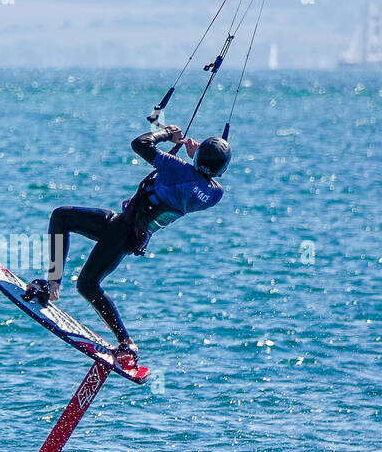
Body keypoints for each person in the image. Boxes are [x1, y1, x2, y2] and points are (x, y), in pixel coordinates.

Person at [22, 125, 230, 369]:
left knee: (85, 277)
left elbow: (140, 144)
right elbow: (199, 180)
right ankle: (54, 286)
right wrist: (196, 161)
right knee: (65, 225)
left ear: (198, 158)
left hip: (123, 230)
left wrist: (167, 135)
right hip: (131, 230)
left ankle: (125, 341)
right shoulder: (215, 194)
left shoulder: (176, 168)